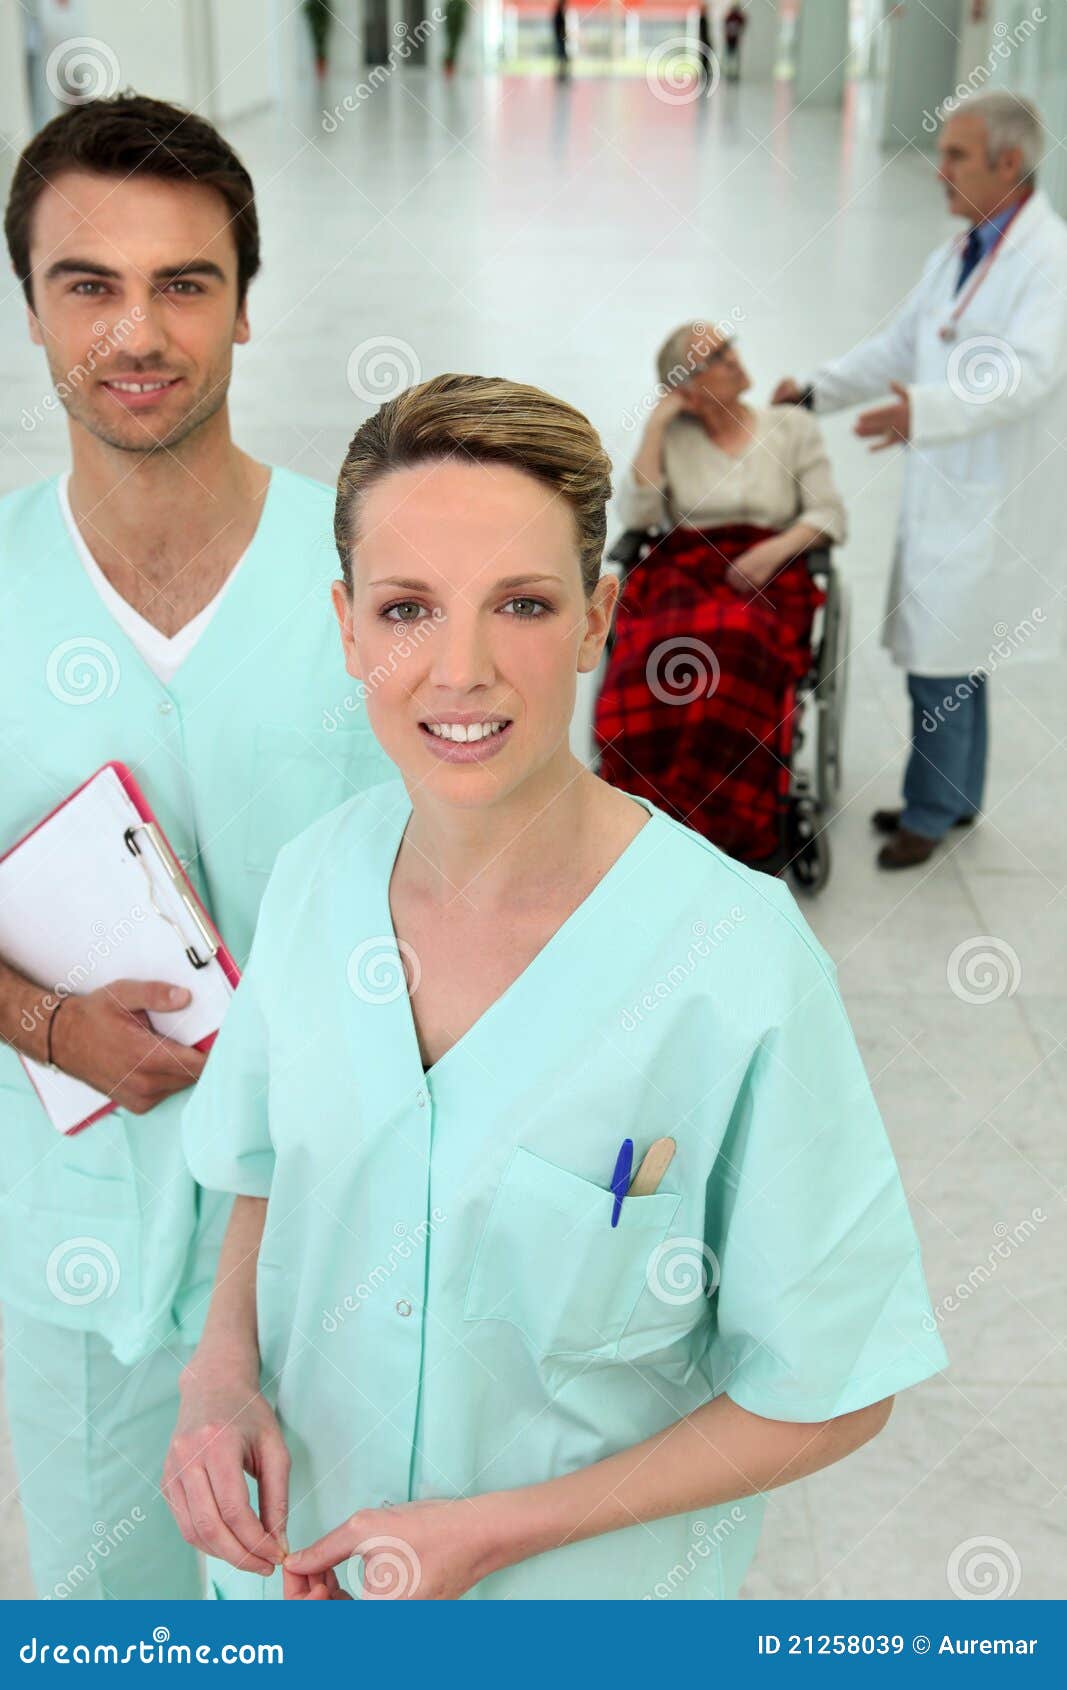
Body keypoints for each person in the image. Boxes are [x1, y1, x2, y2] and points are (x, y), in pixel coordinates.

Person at [169, 374, 945, 1603]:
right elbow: (261, 1170)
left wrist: (503, 1530)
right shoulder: (316, 884)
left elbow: (835, 1386)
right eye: (409, 608)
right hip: (295, 1594)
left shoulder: (730, 960)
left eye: (520, 605)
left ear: (596, 620)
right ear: (349, 627)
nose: (461, 669)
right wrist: (216, 1382)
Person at [0, 94, 394, 1600]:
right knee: (117, 1619)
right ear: (31, 309)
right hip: (83, 1256)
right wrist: (42, 1021)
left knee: (337, 1611)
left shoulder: (374, 573)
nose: (136, 331)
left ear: (243, 302)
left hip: (344, 1241)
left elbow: (504, 880)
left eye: (184, 282)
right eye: (85, 284)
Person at [774, 92, 1067, 869]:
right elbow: (898, 345)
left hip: (992, 493)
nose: (937, 172)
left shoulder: (1049, 261)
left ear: (1008, 163)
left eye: (955, 156)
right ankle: (958, 795)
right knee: (953, 650)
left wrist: (924, 413)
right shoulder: (962, 251)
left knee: (941, 657)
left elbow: (1028, 376)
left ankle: (930, 813)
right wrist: (814, 390)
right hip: (950, 484)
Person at [595, 321, 845, 865]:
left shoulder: (789, 426)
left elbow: (829, 512)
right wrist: (657, 426)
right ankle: (649, 809)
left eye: (732, 348)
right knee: (652, 650)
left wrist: (775, 550)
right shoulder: (675, 438)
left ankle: (720, 818)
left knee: (737, 639)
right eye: (717, 358)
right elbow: (638, 517)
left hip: (774, 570)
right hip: (687, 568)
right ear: (688, 388)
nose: (735, 360)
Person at [722, 4, 746, 81]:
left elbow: (743, 22)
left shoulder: (737, 17)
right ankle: (730, 72)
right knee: (730, 57)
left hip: (734, 40)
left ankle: (734, 73)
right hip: (730, 40)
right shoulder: (730, 17)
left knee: (734, 57)